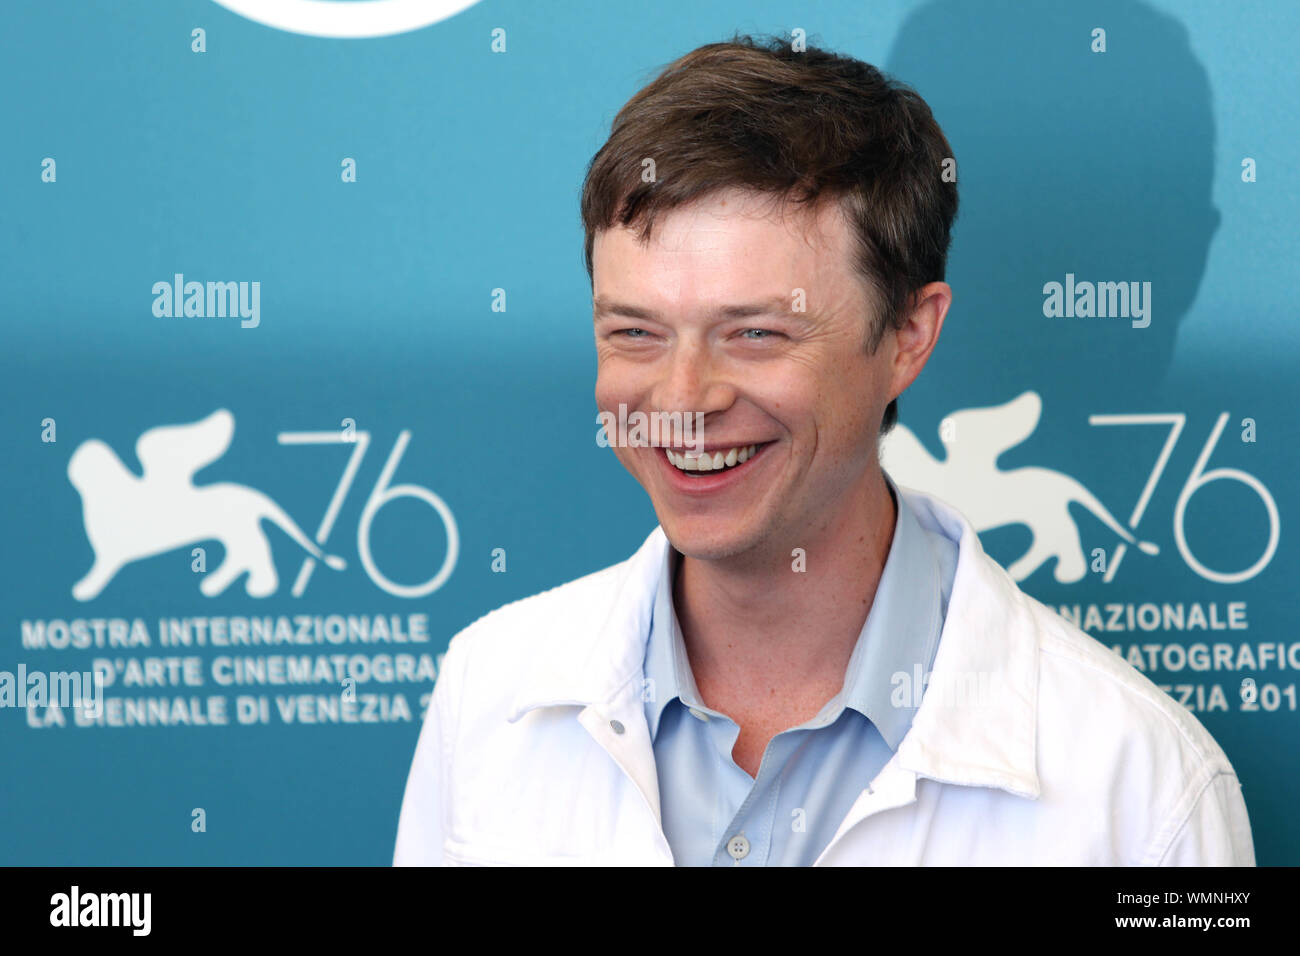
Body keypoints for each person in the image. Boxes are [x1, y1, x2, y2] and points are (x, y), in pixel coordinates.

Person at [393, 35, 1254, 866]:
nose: (684, 400)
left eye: (757, 333)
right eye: (636, 332)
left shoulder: (1145, 791)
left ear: (909, 336)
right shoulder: (489, 696)